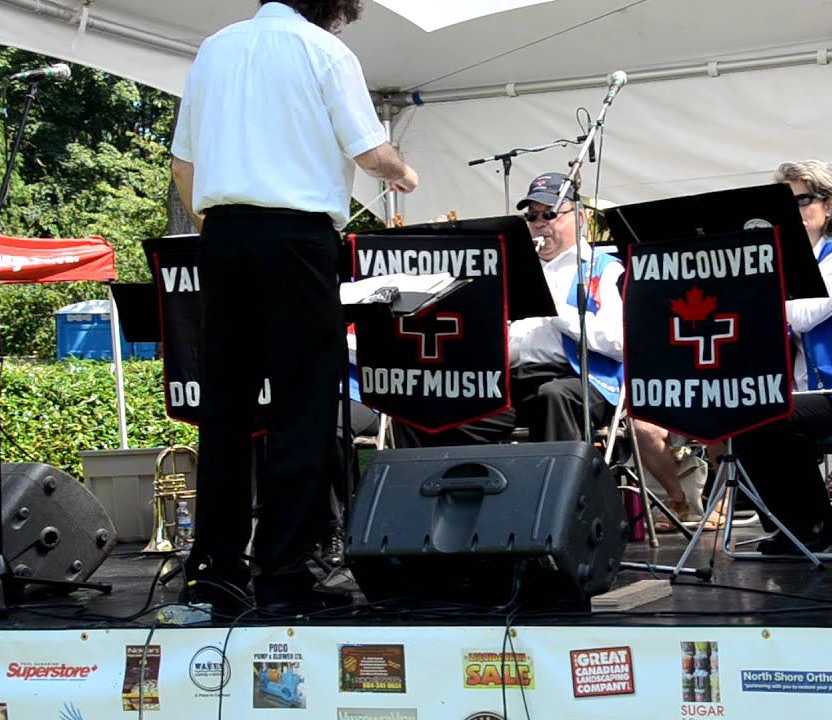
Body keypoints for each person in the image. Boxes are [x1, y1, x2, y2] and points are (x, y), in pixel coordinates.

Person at [170, 0, 418, 613]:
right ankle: (285, 576)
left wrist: (221, 227)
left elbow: (182, 164)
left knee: (224, 409)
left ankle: (217, 574)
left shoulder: (215, 48)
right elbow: (369, 151)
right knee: (302, 408)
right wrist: (406, 174)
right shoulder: (325, 52)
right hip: (298, 240)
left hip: (224, 237)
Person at [391, 173, 621, 446]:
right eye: (531, 217)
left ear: (579, 218)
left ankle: (559, 488)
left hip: (579, 377)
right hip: (510, 381)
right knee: (422, 410)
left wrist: (554, 308)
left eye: (549, 214)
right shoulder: (511, 267)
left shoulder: (603, 268)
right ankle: (439, 485)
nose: (539, 224)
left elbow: (619, 342)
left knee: (553, 396)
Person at [735, 160, 832, 554]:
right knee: (744, 414)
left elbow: (804, 314)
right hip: (816, 393)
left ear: (831, 203)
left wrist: (748, 296)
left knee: (774, 419)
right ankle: (795, 523)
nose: (793, 211)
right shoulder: (791, 259)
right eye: (786, 203)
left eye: (802, 200)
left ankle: (816, 523)